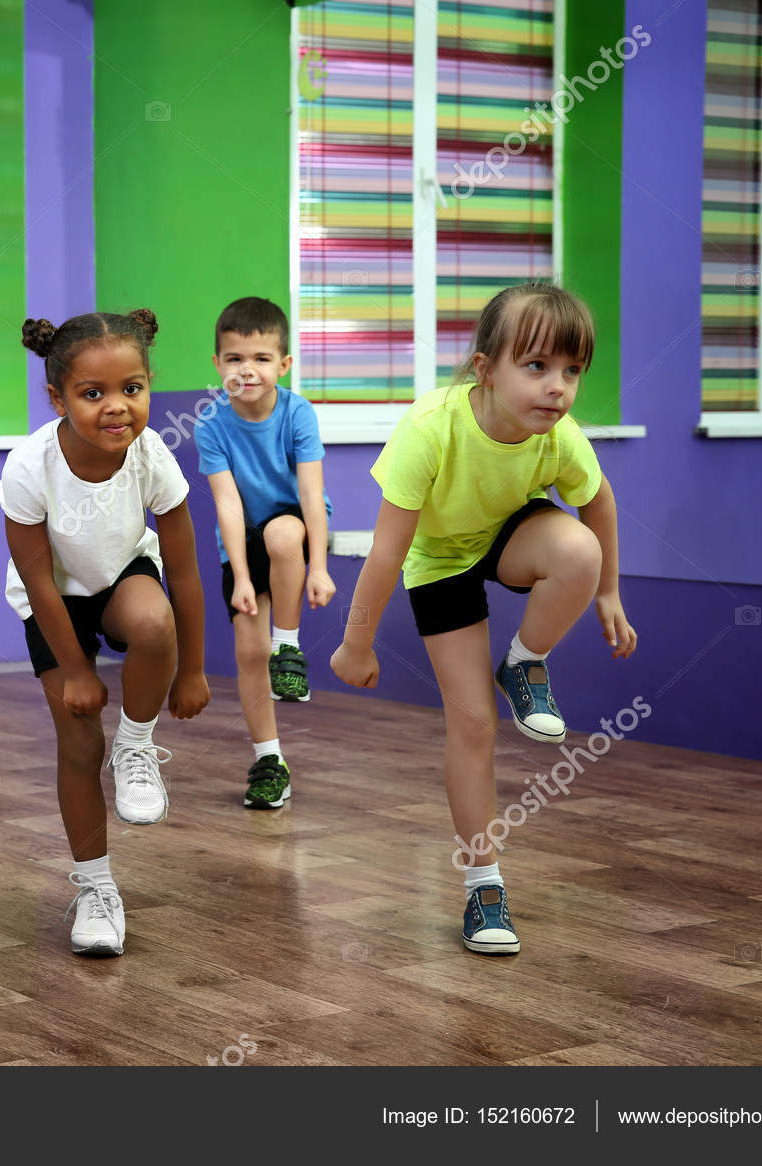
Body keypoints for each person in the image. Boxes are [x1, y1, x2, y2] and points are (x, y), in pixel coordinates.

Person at [329, 282, 637, 955]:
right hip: (439, 562)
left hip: (505, 533)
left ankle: (524, 661)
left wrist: (608, 592)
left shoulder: (558, 438)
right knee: (472, 723)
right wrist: (356, 642)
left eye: (572, 371)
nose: (557, 388)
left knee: (578, 552)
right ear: (484, 369)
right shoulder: (429, 431)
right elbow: (387, 551)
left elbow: (601, 507)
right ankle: (483, 884)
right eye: (536, 367)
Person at [0, 309, 210, 956]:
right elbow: (37, 582)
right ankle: (95, 888)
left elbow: (185, 571)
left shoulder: (151, 455)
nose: (117, 408)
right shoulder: (29, 468)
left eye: (133, 389)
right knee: (78, 743)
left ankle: (137, 746)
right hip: (53, 603)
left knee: (151, 619)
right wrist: (79, 671)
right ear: (57, 397)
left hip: (120, 575)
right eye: (93, 394)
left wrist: (193, 667)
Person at [196, 296, 334, 809]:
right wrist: (241, 578)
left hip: (293, 527)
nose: (246, 370)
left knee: (281, 536)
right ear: (217, 365)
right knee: (247, 652)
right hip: (242, 538)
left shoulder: (297, 413)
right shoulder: (211, 425)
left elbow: (310, 496)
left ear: (283, 364)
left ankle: (289, 645)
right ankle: (270, 759)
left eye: (260, 359)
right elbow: (227, 504)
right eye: (234, 359)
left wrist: (317, 566)